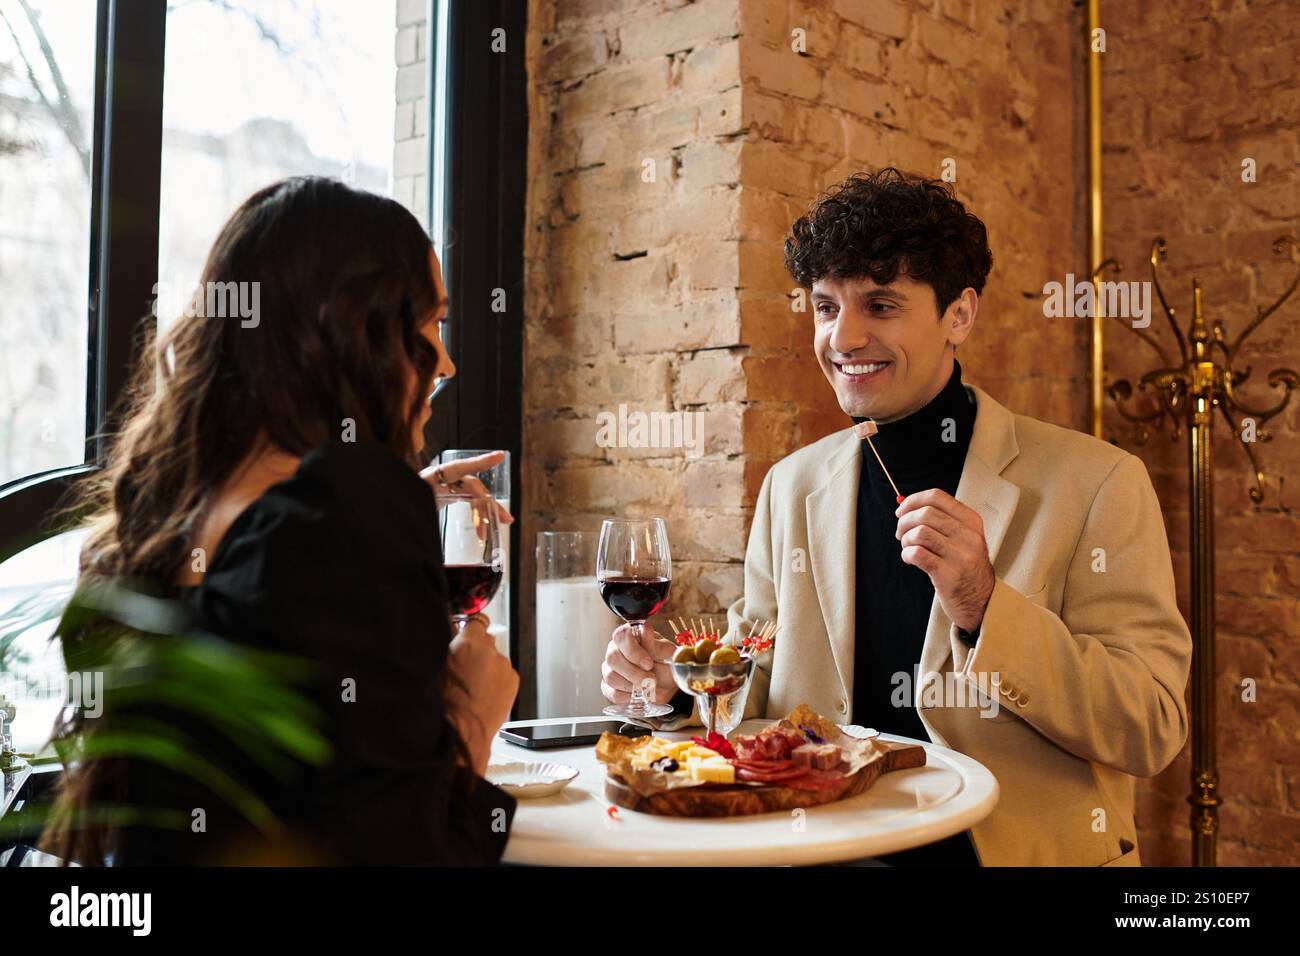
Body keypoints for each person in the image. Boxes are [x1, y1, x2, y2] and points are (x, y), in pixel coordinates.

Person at [601, 168, 1192, 867]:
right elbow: (757, 686)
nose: (843, 338)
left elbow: (1151, 728)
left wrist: (985, 607)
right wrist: (681, 684)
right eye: (825, 307)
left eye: (879, 305)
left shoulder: (1098, 483)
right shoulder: (790, 488)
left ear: (959, 315)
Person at [41, 176, 519, 866]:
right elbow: (400, 852)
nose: (444, 362)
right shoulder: (348, 512)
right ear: (345, 329)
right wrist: (472, 718)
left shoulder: (172, 514)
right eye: (431, 324)